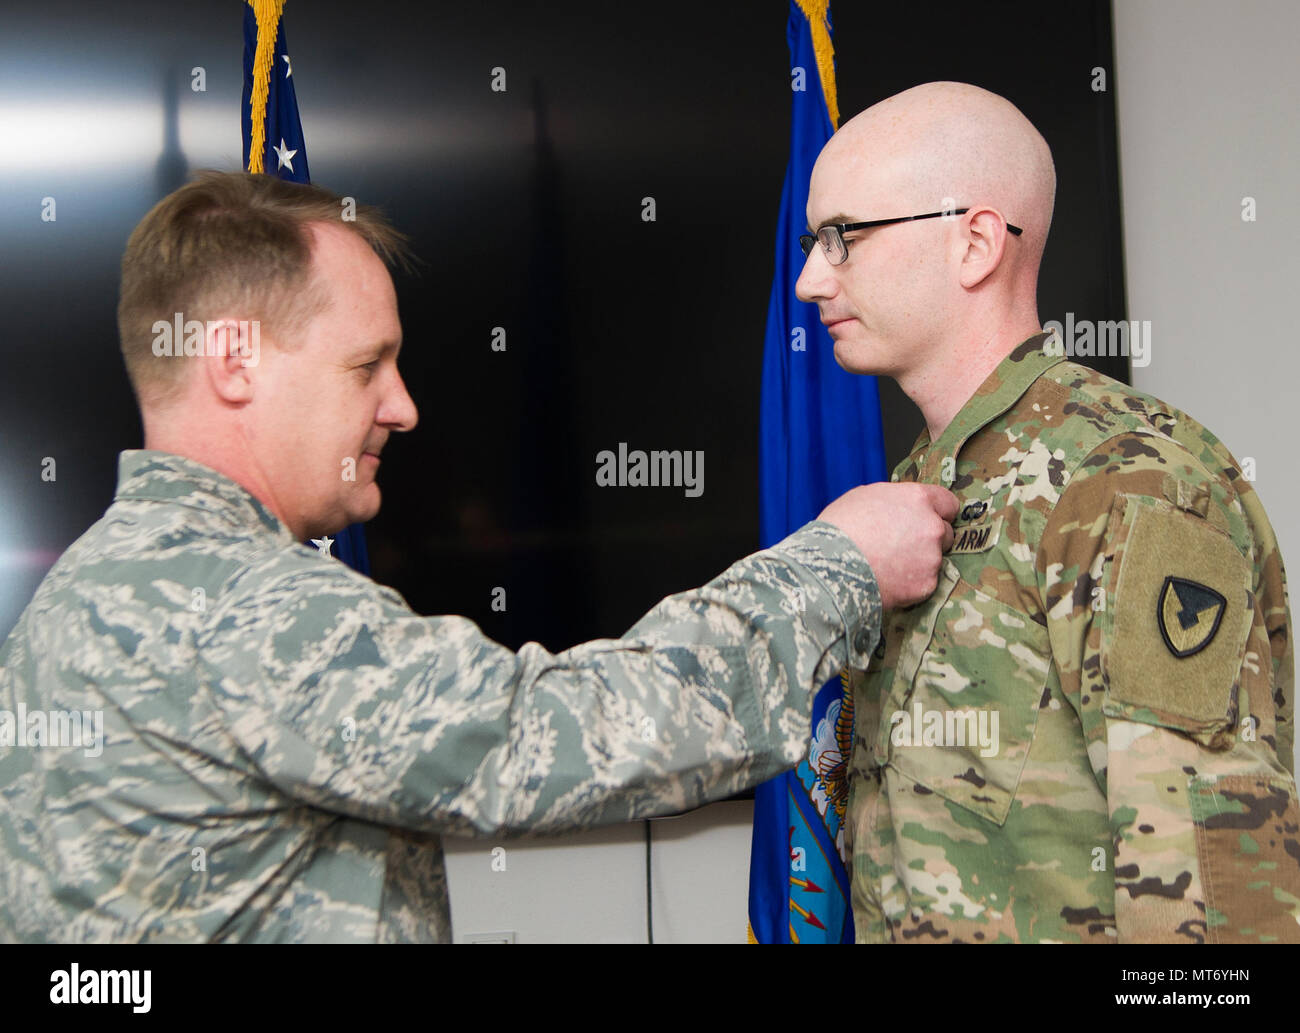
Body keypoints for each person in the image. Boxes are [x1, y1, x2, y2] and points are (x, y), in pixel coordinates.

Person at [0, 171, 956, 943]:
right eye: (365, 365)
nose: (402, 405)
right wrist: (836, 565)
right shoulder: (241, 603)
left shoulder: (76, 595)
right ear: (235, 362)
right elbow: (546, 736)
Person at [796, 81, 1298, 943]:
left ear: (976, 242)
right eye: (815, 242)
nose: (810, 279)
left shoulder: (1123, 481)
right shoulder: (921, 486)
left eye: (843, 238)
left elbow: (1214, 922)